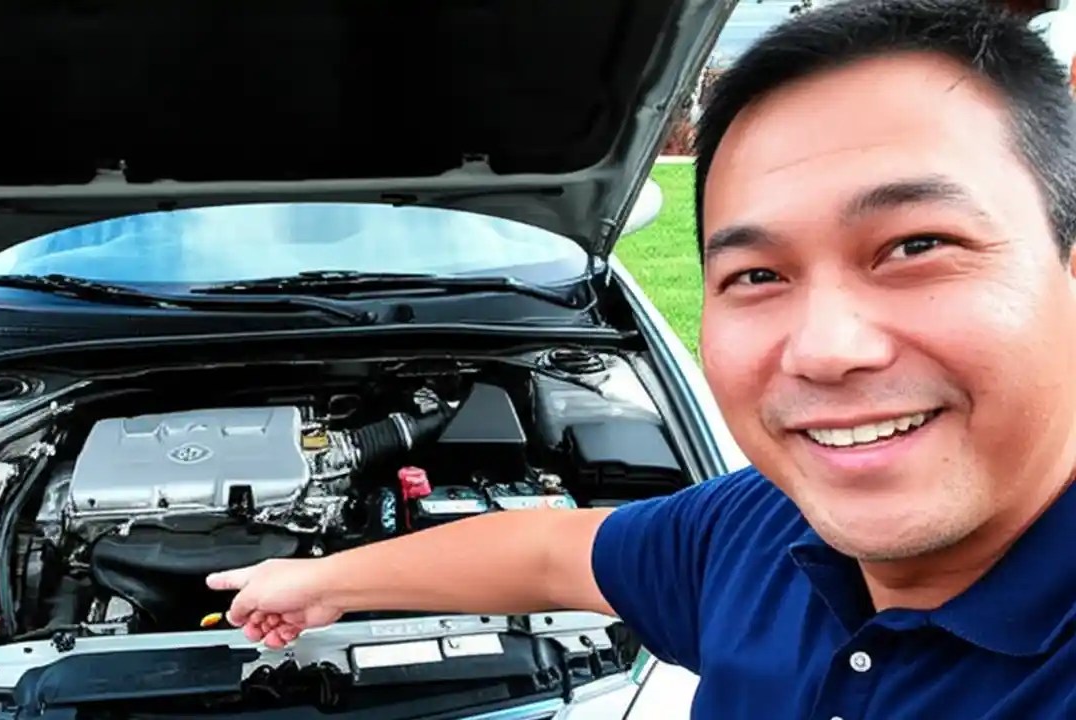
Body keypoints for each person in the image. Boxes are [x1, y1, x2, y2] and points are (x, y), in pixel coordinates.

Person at [205, 0, 1076, 716]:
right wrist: (323, 582)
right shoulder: (758, 532)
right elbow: (553, 552)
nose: (825, 349)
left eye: (915, 245)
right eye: (759, 273)